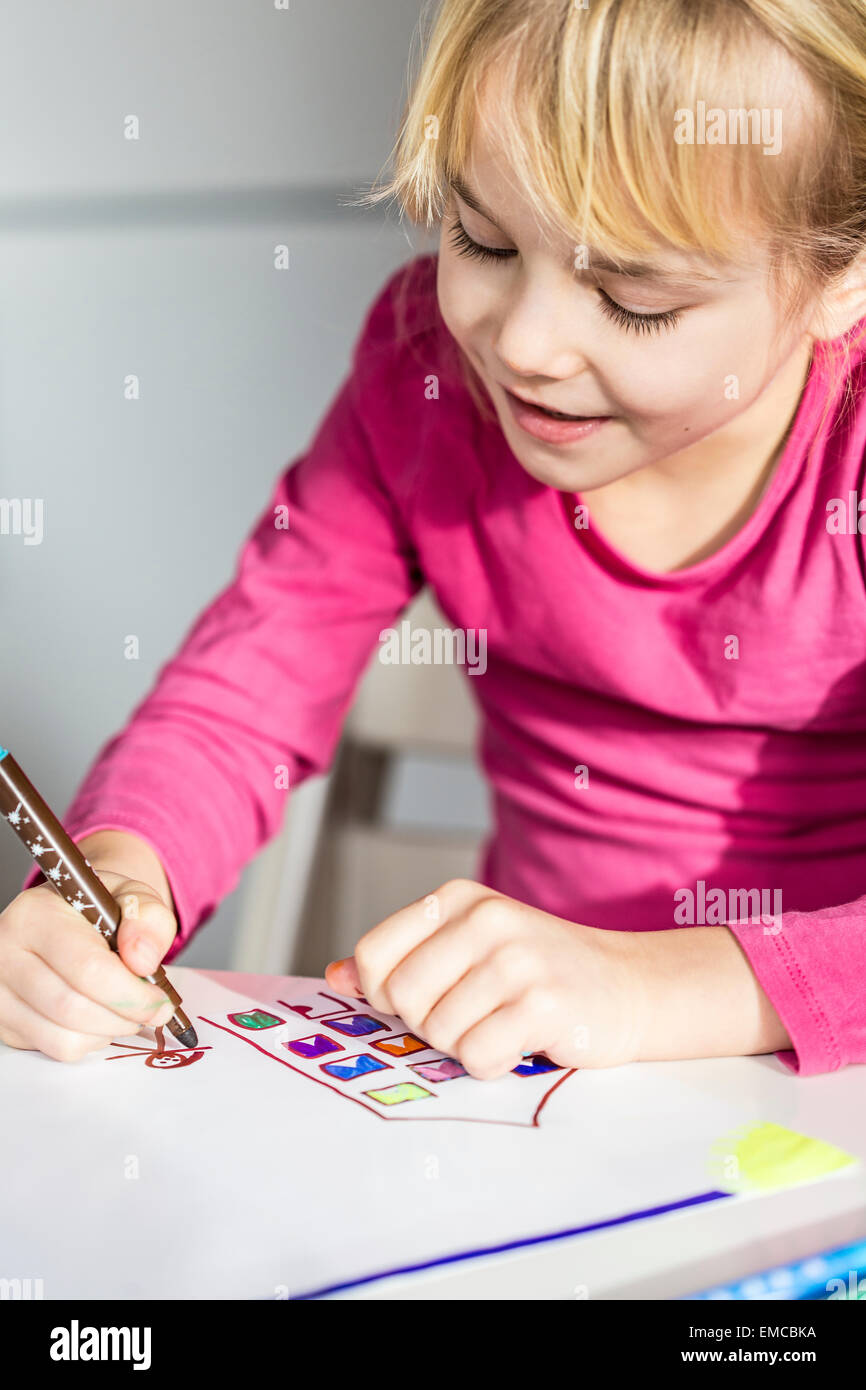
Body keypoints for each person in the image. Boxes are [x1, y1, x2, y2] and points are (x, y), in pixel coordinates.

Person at [3, 0, 866, 1077]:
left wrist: (660, 989)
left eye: (633, 298)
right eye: (482, 239)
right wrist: (120, 870)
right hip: (539, 1084)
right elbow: (241, 693)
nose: (525, 344)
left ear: (844, 275)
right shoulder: (422, 381)